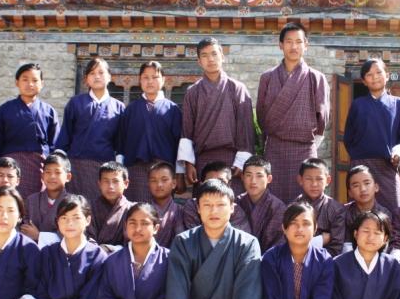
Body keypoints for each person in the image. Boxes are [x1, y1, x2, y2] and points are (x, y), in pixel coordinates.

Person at [256, 22, 331, 203]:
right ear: (280, 45)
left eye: (298, 42)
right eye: (289, 42)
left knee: (306, 200)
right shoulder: (267, 77)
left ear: (306, 45)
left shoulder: (316, 78)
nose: (294, 46)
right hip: (275, 148)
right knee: (273, 198)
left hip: (304, 148)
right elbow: (261, 115)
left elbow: (323, 119)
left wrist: (310, 141)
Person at [178, 37, 255, 195]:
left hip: (232, 161)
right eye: (205, 55)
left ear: (222, 56)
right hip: (202, 160)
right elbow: (187, 130)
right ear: (199, 61)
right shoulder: (193, 92)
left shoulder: (237, 89)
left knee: (231, 205)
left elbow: (246, 129)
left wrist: (241, 162)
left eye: (214, 54)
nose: (210, 59)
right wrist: (189, 163)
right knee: (204, 204)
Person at [342, 58, 400, 213]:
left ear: (387, 75)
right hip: (361, 165)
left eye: (378, 72)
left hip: (387, 166)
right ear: (363, 81)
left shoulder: (398, 104)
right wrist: (358, 158)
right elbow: (348, 137)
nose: (374, 77)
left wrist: (398, 155)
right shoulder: (357, 105)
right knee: (359, 212)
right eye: (369, 74)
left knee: (393, 211)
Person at [0, 62, 60, 200]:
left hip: (39, 168)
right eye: (25, 79)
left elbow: (55, 145)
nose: (30, 84)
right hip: (9, 166)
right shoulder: (4, 110)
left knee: (36, 202)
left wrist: (54, 171)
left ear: (42, 83)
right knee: (8, 199)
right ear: (17, 82)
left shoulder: (49, 111)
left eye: (35, 80)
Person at [56, 56, 126, 200]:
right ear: (86, 79)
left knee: (102, 205)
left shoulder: (118, 107)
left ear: (109, 77)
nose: (97, 77)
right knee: (76, 204)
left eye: (101, 73)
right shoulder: (75, 103)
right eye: (92, 73)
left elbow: (120, 142)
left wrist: (118, 167)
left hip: (105, 166)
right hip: (77, 165)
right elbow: (66, 134)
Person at [120, 60, 184, 202]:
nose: (150, 81)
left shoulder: (172, 109)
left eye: (155, 77)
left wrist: (179, 172)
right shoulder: (131, 109)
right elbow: (121, 141)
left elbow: (180, 143)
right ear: (140, 80)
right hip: (136, 169)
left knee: (161, 209)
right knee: (136, 208)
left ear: (163, 80)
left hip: (164, 169)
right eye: (145, 77)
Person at [334, 165, 400, 258]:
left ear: (376, 187)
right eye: (356, 185)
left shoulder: (385, 214)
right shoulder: (343, 212)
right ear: (350, 193)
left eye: (367, 183)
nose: (363, 189)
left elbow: (389, 243)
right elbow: (343, 244)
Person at [293, 158, 345, 255]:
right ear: (300, 180)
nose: (314, 184)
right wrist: (321, 240)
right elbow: (289, 242)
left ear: (328, 180)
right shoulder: (293, 208)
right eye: (308, 179)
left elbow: (336, 248)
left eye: (319, 179)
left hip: (325, 264)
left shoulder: (337, 209)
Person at [180, 161, 249, 233]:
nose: (215, 185)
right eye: (211, 181)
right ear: (201, 184)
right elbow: (191, 238)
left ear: (230, 184)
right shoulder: (192, 206)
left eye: (221, 182)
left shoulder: (235, 209)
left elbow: (241, 240)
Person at [22, 151, 73, 246]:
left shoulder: (72, 203)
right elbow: (26, 230)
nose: (52, 176)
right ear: (42, 176)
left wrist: (39, 236)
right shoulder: (31, 200)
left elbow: (71, 235)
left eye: (57, 172)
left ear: (68, 177)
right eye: (48, 172)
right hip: (32, 250)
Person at [237, 156, 287, 253]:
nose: (253, 181)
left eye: (259, 176)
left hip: (269, 260)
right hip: (239, 259)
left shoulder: (278, 207)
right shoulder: (236, 203)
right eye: (248, 175)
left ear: (269, 178)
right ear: (242, 177)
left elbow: (279, 243)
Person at [89, 161, 135, 247]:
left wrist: (110, 249)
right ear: (99, 184)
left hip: (123, 257)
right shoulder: (90, 208)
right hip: (93, 255)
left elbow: (133, 243)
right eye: (106, 181)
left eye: (115, 181)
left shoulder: (132, 209)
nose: (110, 186)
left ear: (126, 184)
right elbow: (86, 239)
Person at [147, 160, 186, 248]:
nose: (159, 184)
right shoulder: (142, 210)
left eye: (164, 180)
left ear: (174, 183)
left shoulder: (180, 211)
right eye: (153, 181)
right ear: (148, 184)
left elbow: (182, 240)